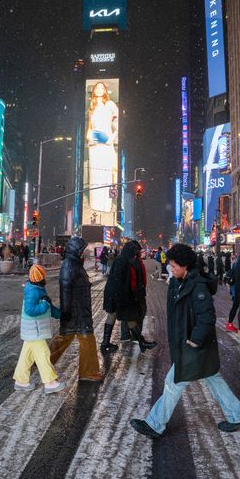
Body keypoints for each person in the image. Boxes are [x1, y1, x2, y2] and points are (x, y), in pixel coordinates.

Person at [130, 243, 240, 439]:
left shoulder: (197, 286)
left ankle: (155, 423)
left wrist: (194, 340)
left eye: (174, 265)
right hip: (193, 343)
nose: (171, 268)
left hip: (194, 345)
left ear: (185, 265)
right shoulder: (183, 282)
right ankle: (238, 416)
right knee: (213, 378)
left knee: (173, 381)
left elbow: (207, 317)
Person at [48, 236, 102, 382]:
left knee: (64, 339)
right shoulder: (69, 266)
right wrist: (65, 312)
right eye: (82, 250)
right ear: (76, 251)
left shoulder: (75, 264)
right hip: (75, 312)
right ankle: (88, 372)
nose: (84, 252)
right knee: (86, 339)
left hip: (80, 310)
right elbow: (65, 290)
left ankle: (43, 363)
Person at [13, 264, 66, 394]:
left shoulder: (37, 288)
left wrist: (60, 314)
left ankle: (21, 381)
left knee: (27, 355)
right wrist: (44, 305)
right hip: (34, 329)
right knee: (43, 355)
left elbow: (48, 305)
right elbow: (31, 310)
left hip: (33, 328)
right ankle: (50, 382)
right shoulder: (34, 290)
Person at [100, 240, 156, 353]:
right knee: (122, 315)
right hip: (118, 294)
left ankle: (106, 343)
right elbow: (119, 281)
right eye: (136, 251)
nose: (138, 253)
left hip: (116, 294)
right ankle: (140, 342)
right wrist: (124, 297)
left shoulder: (125, 259)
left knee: (121, 316)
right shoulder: (122, 261)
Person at [87, 81, 119, 213]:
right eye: (97, 88)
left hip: (106, 143)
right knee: (95, 175)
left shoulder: (110, 104)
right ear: (94, 91)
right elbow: (90, 128)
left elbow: (119, 121)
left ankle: (106, 206)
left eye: (102, 88)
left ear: (105, 90)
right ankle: (95, 205)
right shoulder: (92, 107)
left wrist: (112, 137)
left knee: (106, 174)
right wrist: (89, 139)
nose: (99, 90)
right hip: (94, 145)